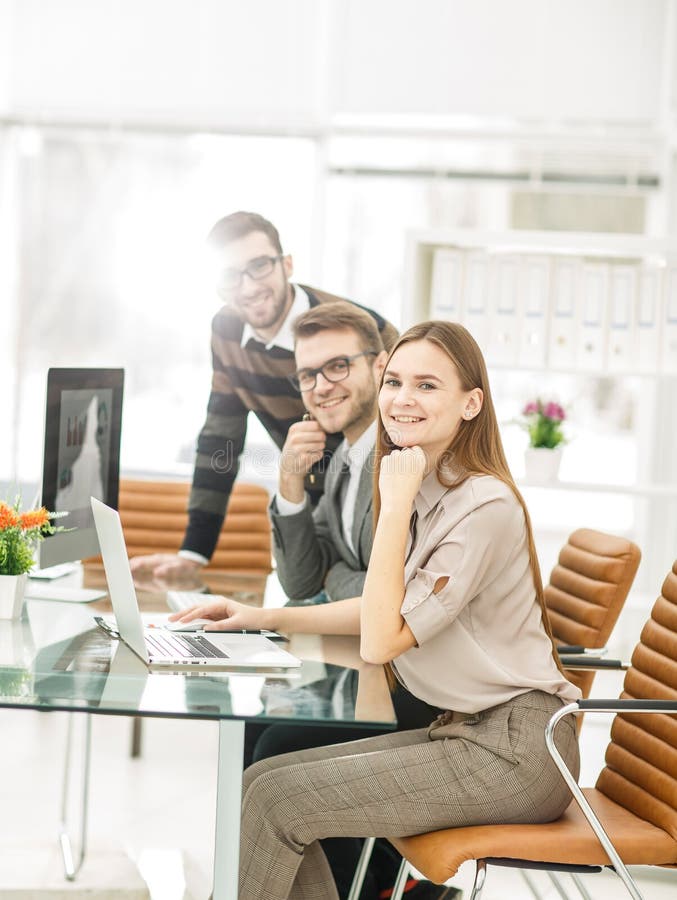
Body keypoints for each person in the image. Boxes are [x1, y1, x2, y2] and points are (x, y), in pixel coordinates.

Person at [172, 320, 582, 900]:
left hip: (517, 756)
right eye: (394, 382)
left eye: (427, 386)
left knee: (280, 800)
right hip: (464, 735)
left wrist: (393, 507)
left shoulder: (482, 505)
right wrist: (257, 617)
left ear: (472, 404)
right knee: (264, 781)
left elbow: (379, 641)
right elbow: (378, 606)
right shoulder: (435, 486)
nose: (401, 399)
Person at [250, 301, 450, 900]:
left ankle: (375, 885)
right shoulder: (341, 456)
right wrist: (288, 484)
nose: (321, 386)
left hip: (424, 688)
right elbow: (305, 576)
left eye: (338, 366)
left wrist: (343, 581)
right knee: (256, 723)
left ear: (381, 364)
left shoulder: (406, 460)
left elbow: (383, 599)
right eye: (308, 375)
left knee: (277, 744)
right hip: (373, 664)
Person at [130, 211, 397, 580]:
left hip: (375, 513)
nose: (248, 287)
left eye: (259, 266)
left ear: (286, 265)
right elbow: (219, 438)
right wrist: (195, 551)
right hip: (307, 521)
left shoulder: (362, 331)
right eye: (230, 276)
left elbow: (409, 431)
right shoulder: (226, 332)